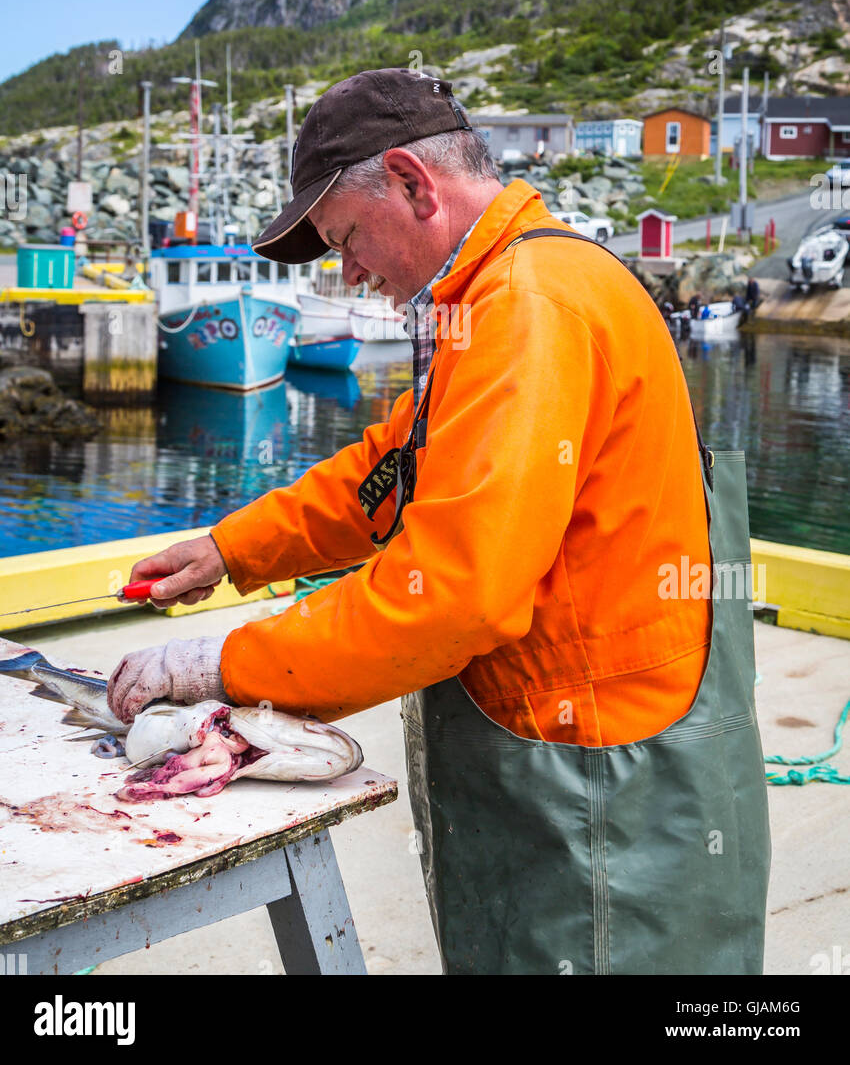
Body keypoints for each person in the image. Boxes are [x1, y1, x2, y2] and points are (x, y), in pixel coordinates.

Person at [107, 68, 769, 974]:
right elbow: (389, 468)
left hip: (602, 794)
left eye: (345, 240)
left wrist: (213, 666)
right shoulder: (496, 291)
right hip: (564, 763)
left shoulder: (526, 306)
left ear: (414, 184)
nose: (351, 275)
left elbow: (455, 597)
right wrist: (230, 549)